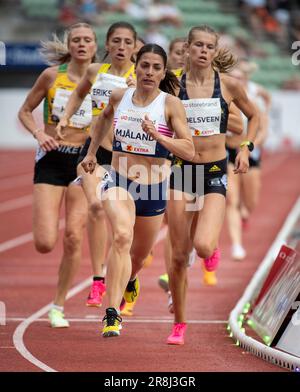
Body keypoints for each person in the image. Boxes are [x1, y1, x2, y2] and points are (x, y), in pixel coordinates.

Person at [81, 43, 195, 338]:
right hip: (120, 180)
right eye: (144, 65)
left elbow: (190, 150)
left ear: (163, 72)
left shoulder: (170, 105)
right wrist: (92, 153)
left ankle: (130, 278)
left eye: (157, 67)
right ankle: (112, 313)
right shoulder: (120, 96)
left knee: (139, 257)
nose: (149, 72)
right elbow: (104, 118)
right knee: (120, 236)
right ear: (137, 66)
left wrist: (158, 135)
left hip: (154, 187)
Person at [166, 25, 259, 345]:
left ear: (215, 52)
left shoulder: (229, 85)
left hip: (215, 169)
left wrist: (246, 147)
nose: (203, 52)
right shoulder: (172, 84)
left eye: (209, 47)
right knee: (179, 256)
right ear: (187, 49)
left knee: (203, 246)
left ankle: (213, 246)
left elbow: (254, 116)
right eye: (198, 46)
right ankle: (179, 322)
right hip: (183, 170)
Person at [18, 23, 98, 327]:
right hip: (51, 160)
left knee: (74, 237)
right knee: (44, 242)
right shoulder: (53, 76)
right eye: (76, 40)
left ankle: (58, 306)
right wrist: (39, 132)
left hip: (82, 162)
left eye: (87, 40)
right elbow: (25, 110)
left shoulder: (102, 78)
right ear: (69, 45)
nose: (81, 44)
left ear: (94, 46)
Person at [56, 22, 137, 309]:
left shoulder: (140, 77)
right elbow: (78, 93)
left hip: (128, 159)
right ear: (107, 45)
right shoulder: (95, 72)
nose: (121, 47)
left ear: (135, 47)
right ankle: (98, 278)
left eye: (128, 42)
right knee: (94, 206)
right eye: (116, 41)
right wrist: (66, 117)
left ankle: (129, 275)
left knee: (124, 230)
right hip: (95, 153)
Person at [226, 60, 269, 260]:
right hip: (227, 151)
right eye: (232, 77)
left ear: (245, 80)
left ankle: (245, 213)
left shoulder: (253, 101)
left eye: (239, 78)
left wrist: (250, 146)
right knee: (231, 200)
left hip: (249, 151)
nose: (235, 81)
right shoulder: (221, 98)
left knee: (250, 201)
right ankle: (237, 245)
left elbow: (263, 130)